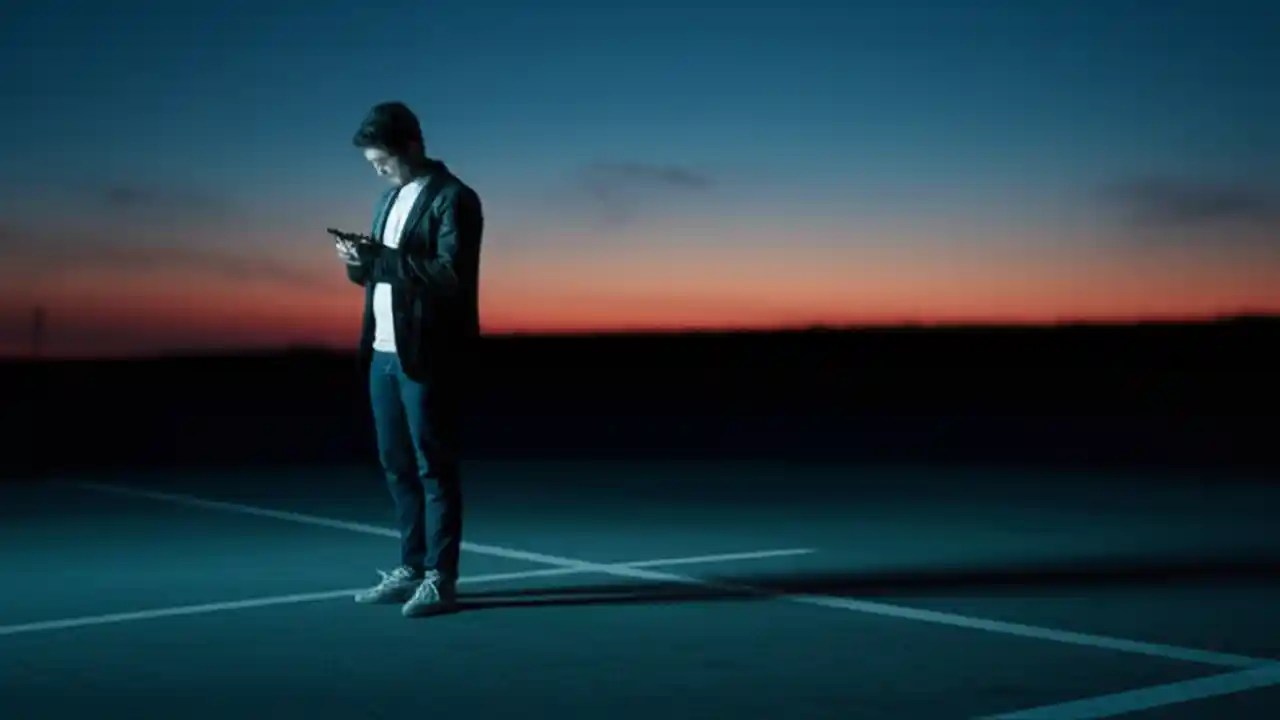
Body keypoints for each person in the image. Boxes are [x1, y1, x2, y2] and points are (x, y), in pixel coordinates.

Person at [334, 101, 483, 618]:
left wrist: (380, 259)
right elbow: (382, 273)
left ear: (412, 147)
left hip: (429, 354)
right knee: (396, 465)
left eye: (383, 162)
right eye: (373, 165)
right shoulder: (388, 198)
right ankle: (412, 567)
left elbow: (450, 275)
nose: (377, 171)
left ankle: (442, 578)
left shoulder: (454, 199)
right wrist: (359, 264)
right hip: (383, 352)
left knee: (434, 468)